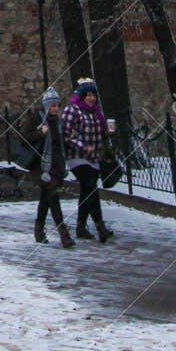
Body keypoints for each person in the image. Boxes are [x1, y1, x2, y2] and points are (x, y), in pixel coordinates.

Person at [62, 78, 114, 243]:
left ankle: (80, 227)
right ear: (82, 96)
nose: (91, 98)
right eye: (88, 95)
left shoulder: (96, 112)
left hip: (93, 158)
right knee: (91, 187)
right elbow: (66, 134)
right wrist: (83, 146)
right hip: (77, 157)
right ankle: (100, 227)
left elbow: (101, 134)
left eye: (93, 95)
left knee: (87, 190)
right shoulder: (72, 110)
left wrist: (110, 133)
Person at [32, 89, 74, 249]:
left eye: (58, 105)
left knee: (46, 198)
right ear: (47, 106)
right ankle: (64, 234)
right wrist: (40, 133)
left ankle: (39, 230)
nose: (56, 108)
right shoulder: (38, 120)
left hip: (56, 166)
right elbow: (25, 137)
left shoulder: (58, 122)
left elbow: (61, 144)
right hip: (41, 167)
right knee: (53, 196)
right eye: (53, 105)